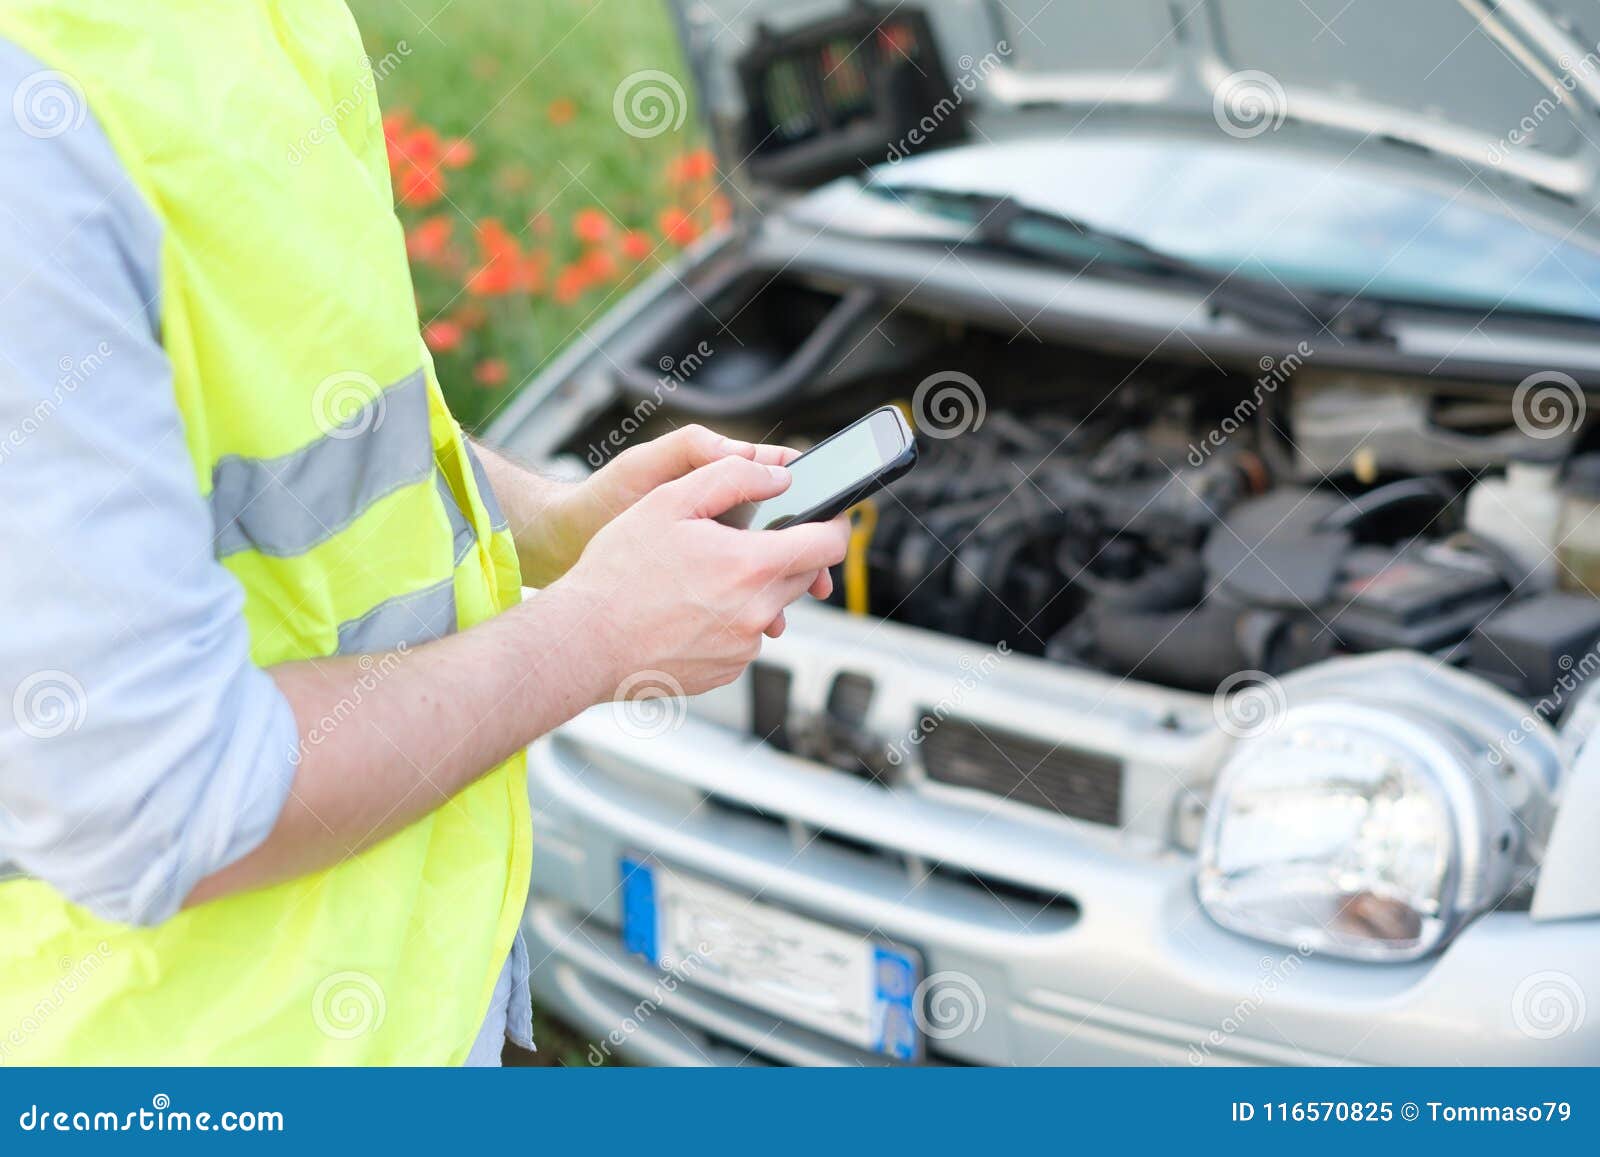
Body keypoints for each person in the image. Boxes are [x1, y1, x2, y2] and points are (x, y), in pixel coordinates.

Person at [0, 1, 848, 1065]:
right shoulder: (30, 133)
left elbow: (322, 427)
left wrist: (556, 522)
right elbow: (161, 797)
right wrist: (599, 635)